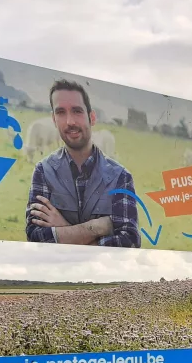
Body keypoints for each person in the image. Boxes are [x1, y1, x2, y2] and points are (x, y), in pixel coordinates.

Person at [25, 79, 140, 247]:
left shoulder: (120, 177)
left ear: (91, 118)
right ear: (54, 119)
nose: (70, 121)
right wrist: (97, 227)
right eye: (61, 112)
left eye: (77, 111)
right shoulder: (44, 171)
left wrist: (63, 228)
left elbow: (129, 242)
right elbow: (35, 236)